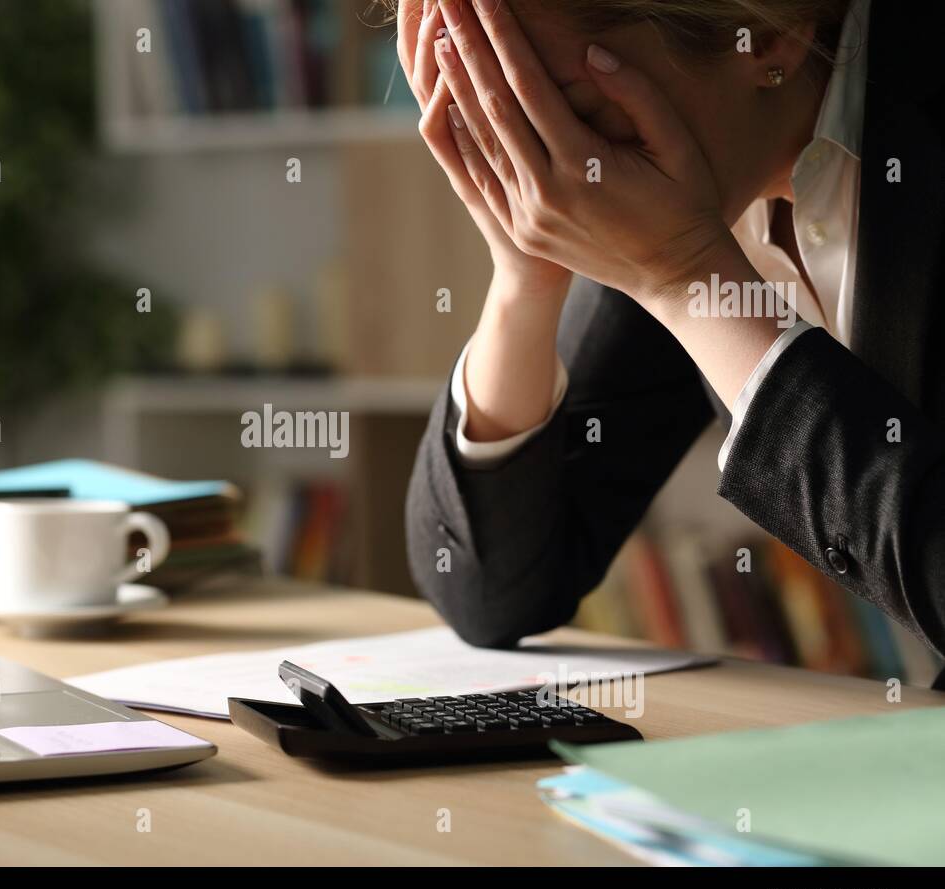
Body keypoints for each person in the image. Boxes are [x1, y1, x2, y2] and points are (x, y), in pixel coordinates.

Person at [398, 0, 945, 678]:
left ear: (771, 36)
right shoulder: (634, 175)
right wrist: (523, 274)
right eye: (501, 117)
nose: (542, 178)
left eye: (559, 113)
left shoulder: (662, 192)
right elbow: (492, 594)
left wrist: (689, 277)